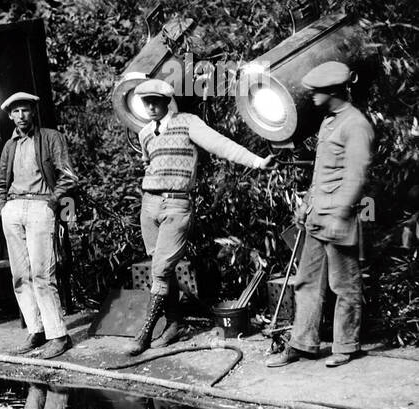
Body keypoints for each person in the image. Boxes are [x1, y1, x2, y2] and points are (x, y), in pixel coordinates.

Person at [129, 79, 274, 356]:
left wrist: (256, 161)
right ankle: (174, 325)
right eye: (145, 101)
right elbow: (149, 165)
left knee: (160, 269)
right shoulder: (145, 132)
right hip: (149, 206)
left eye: (155, 101)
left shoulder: (187, 122)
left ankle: (144, 334)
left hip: (177, 205)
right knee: (160, 267)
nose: (149, 106)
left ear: (166, 101)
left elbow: (220, 145)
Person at [268, 61, 374, 369]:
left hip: (339, 218)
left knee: (345, 284)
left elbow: (356, 177)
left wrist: (340, 213)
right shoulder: (329, 121)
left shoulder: (356, 125)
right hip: (316, 217)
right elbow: (321, 173)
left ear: (332, 91)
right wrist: (306, 205)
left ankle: (345, 346)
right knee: (307, 281)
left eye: (316, 92)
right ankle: (303, 344)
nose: (311, 96)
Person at [0, 92, 77, 359]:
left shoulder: (51, 137)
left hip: (41, 206)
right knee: (20, 275)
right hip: (13, 209)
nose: (21, 116)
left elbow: (69, 176)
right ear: (10, 116)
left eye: (25, 110)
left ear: (33, 112)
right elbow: (0, 179)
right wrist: (2, 203)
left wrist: (53, 202)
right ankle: (36, 330)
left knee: (43, 274)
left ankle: (58, 335)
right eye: (15, 112)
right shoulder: (10, 145)